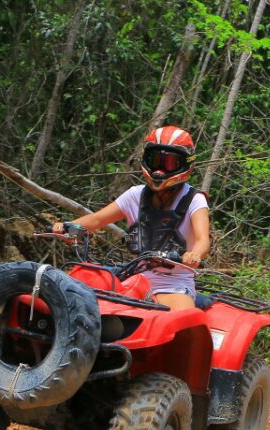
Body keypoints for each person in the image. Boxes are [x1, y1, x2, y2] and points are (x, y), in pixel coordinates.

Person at [53, 125, 210, 310]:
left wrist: (195, 254)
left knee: (183, 318)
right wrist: (67, 227)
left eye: (168, 163)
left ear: (186, 165)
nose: (159, 170)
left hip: (173, 285)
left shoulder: (194, 200)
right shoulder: (135, 195)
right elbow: (96, 220)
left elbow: (203, 240)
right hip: (134, 277)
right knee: (74, 288)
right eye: (155, 161)